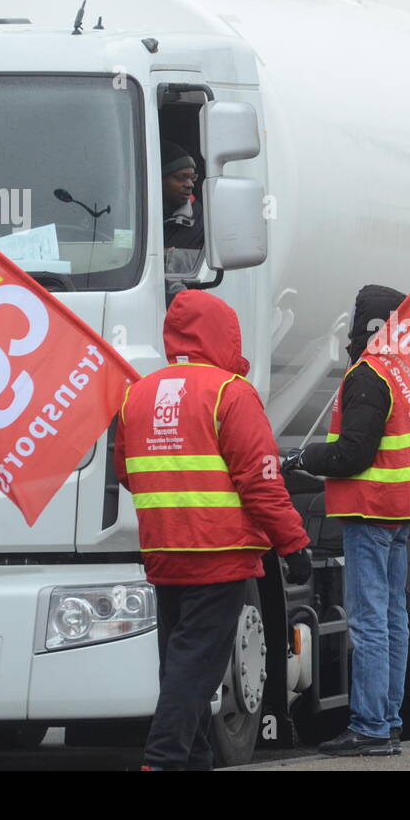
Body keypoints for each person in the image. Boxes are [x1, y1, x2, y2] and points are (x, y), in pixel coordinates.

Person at [115, 289, 311, 770]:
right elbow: (262, 483)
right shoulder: (229, 392)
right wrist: (294, 543)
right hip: (219, 553)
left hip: (164, 551)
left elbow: (125, 471)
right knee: (194, 669)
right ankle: (161, 760)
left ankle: (195, 760)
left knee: (180, 665)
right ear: (225, 334)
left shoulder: (137, 394)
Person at [284, 285, 410, 756]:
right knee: (393, 619)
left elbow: (352, 453)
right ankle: (387, 723)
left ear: (362, 327)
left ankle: (370, 727)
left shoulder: (368, 374)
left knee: (371, 621)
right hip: (402, 511)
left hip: (370, 511)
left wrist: (302, 457)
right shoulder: (406, 372)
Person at [161, 141, 205, 274]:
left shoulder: (201, 220)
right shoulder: (134, 215)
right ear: (159, 178)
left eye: (192, 178)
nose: (190, 184)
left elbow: (205, 265)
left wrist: (174, 258)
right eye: (182, 177)